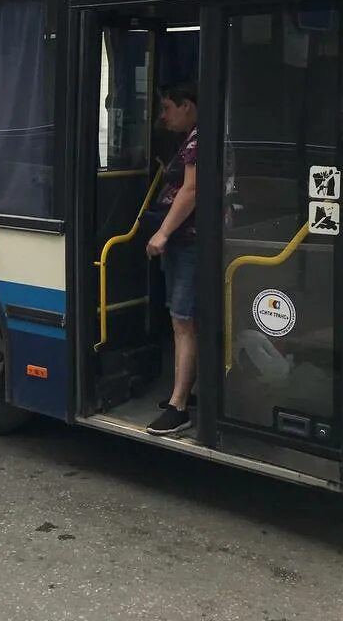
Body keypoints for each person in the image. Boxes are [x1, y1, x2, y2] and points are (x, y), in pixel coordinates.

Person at [145, 83, 199, 437]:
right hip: (187, 243)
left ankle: (179, 406)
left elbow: (191, 191)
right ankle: (185, 393)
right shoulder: (194, 137)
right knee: (185, 320)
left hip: (190, 242)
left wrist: (162, 233)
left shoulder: (199, 141)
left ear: (187, 105)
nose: (163, 117)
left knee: (183, 321)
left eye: (167, 107)